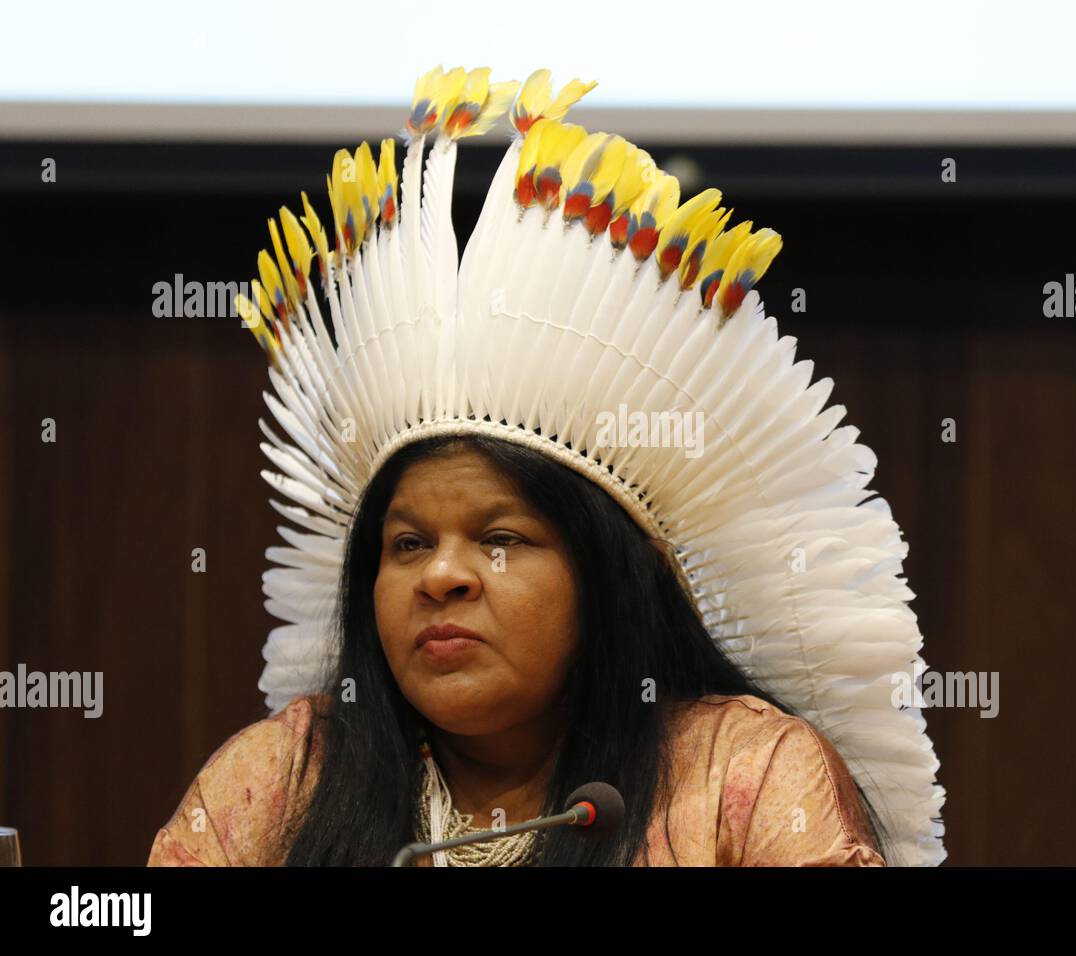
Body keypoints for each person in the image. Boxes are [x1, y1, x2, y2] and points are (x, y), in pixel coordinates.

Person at [147, 64, 946, 867]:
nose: (443, 578)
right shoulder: (282, 782)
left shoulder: (742, 776)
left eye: (500, 538)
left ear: (605, 577)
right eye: (408, 545)